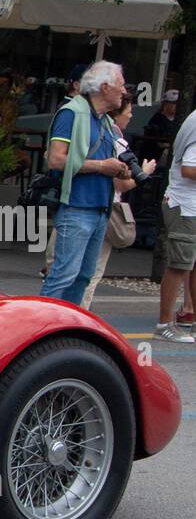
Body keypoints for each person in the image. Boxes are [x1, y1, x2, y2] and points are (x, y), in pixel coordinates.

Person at [40, 60, 131, 306]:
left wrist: (118, 169)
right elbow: (56, 159)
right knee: (63, 275)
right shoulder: (71, 112)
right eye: (121, 85)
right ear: (104, 87)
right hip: (77, 206)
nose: (124, 91)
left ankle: (65, 328)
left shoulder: (104, 121)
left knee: (83, 277)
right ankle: (39, 328)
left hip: (99, 209)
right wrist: (103, 167)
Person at [82, 93, 154, 310]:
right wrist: (145, 172)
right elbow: (121, 184)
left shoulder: (90, 129)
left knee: (66, 269)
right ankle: (77, 318)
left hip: (80, 202)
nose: (131, 116)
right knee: (91, 272)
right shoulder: (116, 139)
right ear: (116, 112)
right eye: (129, 111)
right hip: (103, 205)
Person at [153, 106, 196, 343]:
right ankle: (164, 325)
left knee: (192, 265)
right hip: (184, 206)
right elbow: (189, 168)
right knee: (179, 265)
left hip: (190, 206)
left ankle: (191, 323)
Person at [138, 89, 180, 165]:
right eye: (173, 103)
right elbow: (160, 144)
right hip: (157, 156)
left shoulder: (179, 120)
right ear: (165, 103)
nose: (176, 106)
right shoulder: (157, 119)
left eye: (178, 103)